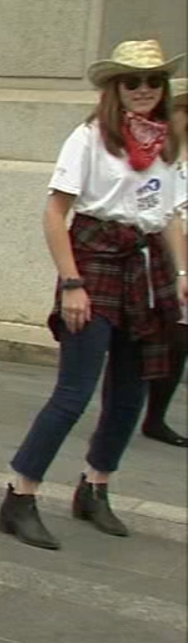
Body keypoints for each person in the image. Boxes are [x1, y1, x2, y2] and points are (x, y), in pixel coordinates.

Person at [1, 41, 187, 549]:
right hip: (97, 260)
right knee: (74, 392)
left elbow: (169, 215)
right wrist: (72, 283)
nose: (144, 90)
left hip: (145, 269)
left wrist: (183, 270)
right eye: (132, 81)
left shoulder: (165, 143)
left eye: (152, 82)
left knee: (131, 393)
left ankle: (95, 487)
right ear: (114, 88)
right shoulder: (88, 138)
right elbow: (55, 214)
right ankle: (20, 495)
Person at [141, 76, 188, 447]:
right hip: (162, 250)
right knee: (158, 334)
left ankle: (155, 416)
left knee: (179, 339)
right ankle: (141, 412)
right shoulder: (160, 153)